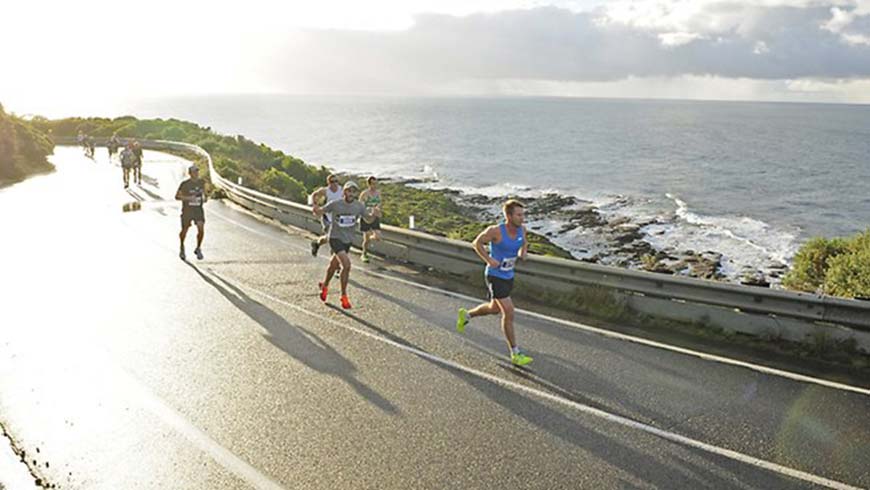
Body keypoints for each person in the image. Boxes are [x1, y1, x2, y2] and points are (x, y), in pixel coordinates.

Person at [456, 199, 533, 366]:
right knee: (509, 312)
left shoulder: (522, 230)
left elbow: (523, 243)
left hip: (508, 275)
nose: (522, 218)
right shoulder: (496, 231)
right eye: (519, 215)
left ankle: (467, 315)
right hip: (494, 275)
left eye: (523, 214)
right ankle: (515, 352)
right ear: (508, 215)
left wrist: (523, 252)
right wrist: (489, 259)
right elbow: (476, 243)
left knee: (493, 308)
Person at [312, 181, 380, 309]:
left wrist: (374, 215)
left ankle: (324, 285)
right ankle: (343, 296)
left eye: (354, 191)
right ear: (344, 192)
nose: (351, 194)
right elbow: (321, 211)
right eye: (349, 191)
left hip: (347, 240)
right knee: (347, 266)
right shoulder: (336, 204)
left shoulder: (359, 206)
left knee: (333, 265)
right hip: (335, 238)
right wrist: (315, 208)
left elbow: (368, 219)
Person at [175, 165, 207, 261]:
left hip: (198, 210)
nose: (196, 173)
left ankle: (198, 248)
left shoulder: (202, 182)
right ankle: (182, 247)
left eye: (197, 171)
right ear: (190, 174)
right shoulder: (185, 184)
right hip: (187, 210)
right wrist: (188, 198)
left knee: (201, 228)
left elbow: (205, 193)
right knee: (184, 230)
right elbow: (177, 197)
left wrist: (205, 197)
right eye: (194, 172)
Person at [308, 174, 343, 257]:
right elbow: (313, 195)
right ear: (328, 183)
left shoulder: (342, 190)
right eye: (332, 182)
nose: (334, 183)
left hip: (337, 218)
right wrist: (314, 205)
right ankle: (334, 263)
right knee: (333, 239)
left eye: (336, 181)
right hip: (327, 217)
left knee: (331, 238)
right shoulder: (325, 191)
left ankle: (316, 243)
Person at [358, 176, 383, 263]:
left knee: (378, 237)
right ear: (369, 184)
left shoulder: (378, 193)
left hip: (375, 217)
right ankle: (364, 253)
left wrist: (377, 210)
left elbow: (379, 203)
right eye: (373, 184)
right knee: (366, 239)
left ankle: (368, 241)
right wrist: (368, 211)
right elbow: (360, 206)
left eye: (376, 183)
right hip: (366, 218)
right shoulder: (364, 193)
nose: (375, 185)